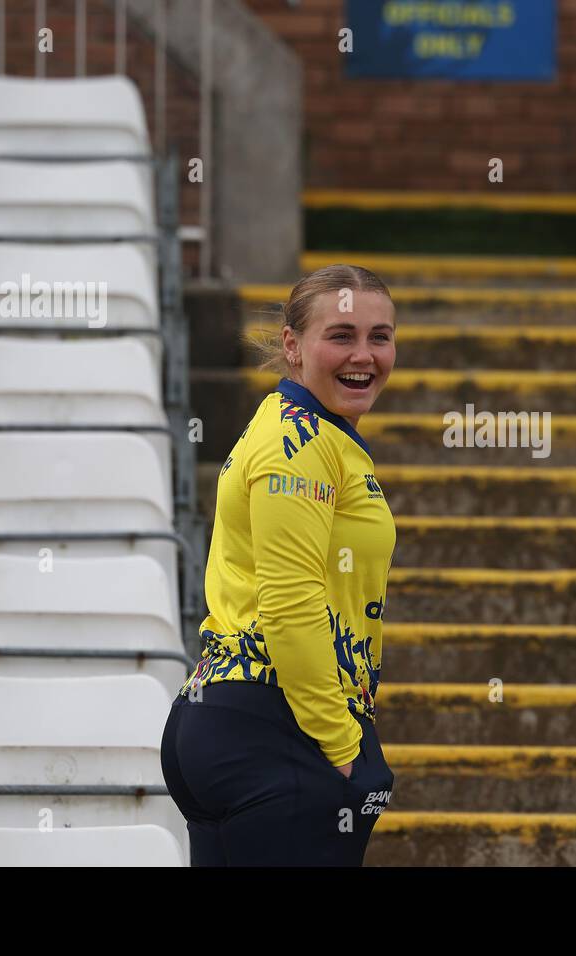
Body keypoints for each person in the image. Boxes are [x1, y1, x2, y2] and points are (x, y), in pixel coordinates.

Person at [161, 265, 397, 866]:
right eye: (341, 335)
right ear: (291, 345)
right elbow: (290, 603)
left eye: (380, 336)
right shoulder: (300, 444)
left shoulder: (309, 432)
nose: (364, 355)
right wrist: (345, 749)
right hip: (276, 724)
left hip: (240, 722)